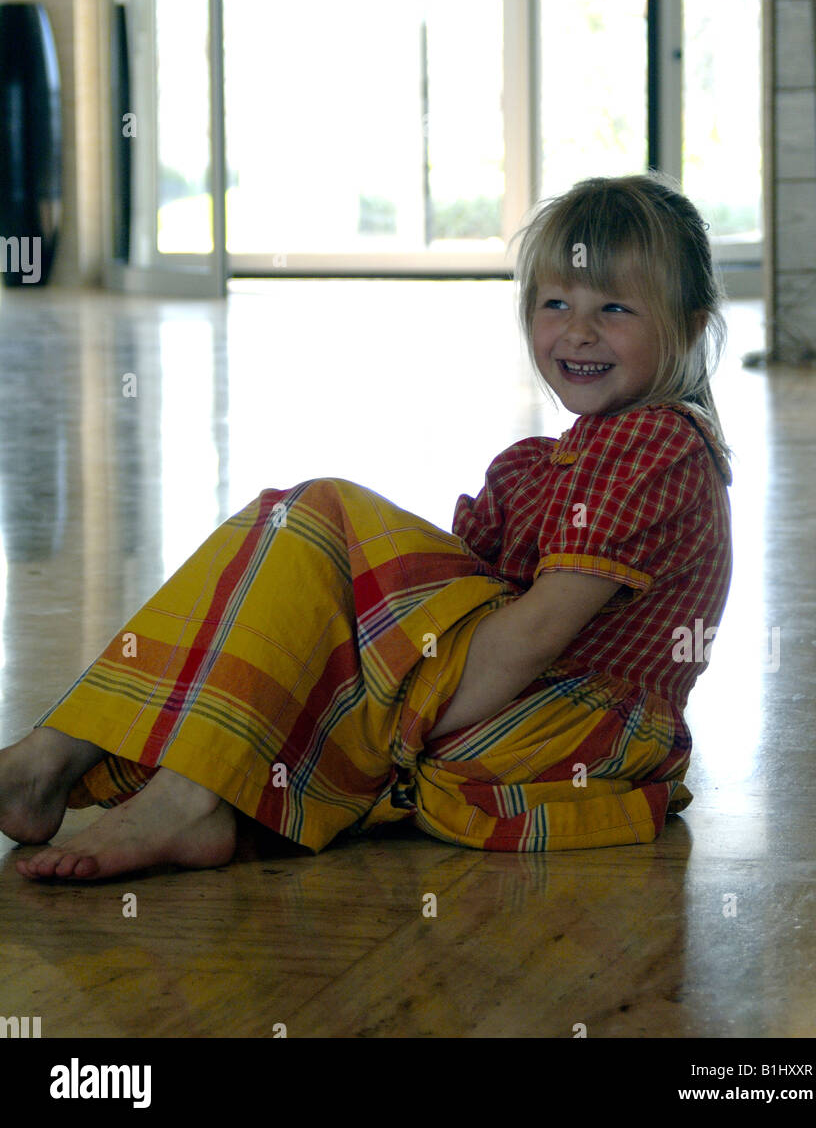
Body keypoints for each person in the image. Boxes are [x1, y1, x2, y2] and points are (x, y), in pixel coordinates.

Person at [1, 172, 733, 882]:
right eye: (553, 302)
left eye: (613, 309)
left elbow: (538, 632)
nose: (576, 331)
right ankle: (54, 759)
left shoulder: (653, 445)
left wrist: (392, 719)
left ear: (688, 327)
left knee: (320, 516)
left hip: (564, 733)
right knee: (291, 529)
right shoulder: (545, 464)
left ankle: (182, 793)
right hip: (519, 702)